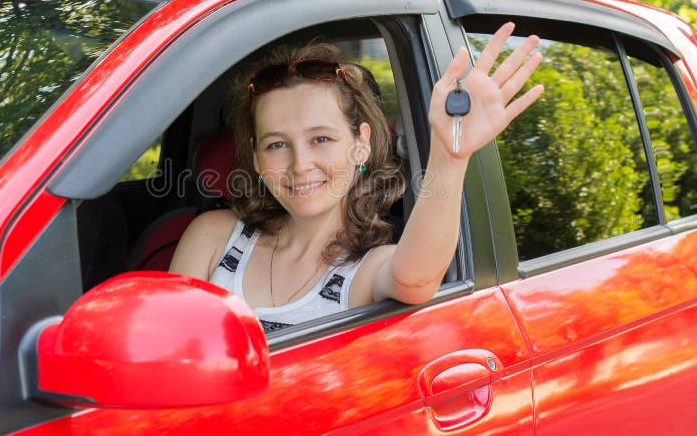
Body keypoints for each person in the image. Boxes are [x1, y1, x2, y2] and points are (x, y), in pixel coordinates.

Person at [169, 22, 543, 332]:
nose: (300, 164)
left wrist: (449, 155)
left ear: (360, 145)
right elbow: (165, 346)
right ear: (255, 156)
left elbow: (416, 278)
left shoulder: (365, 271)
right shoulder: (214, 237)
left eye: (321, 139)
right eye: (277, 145)